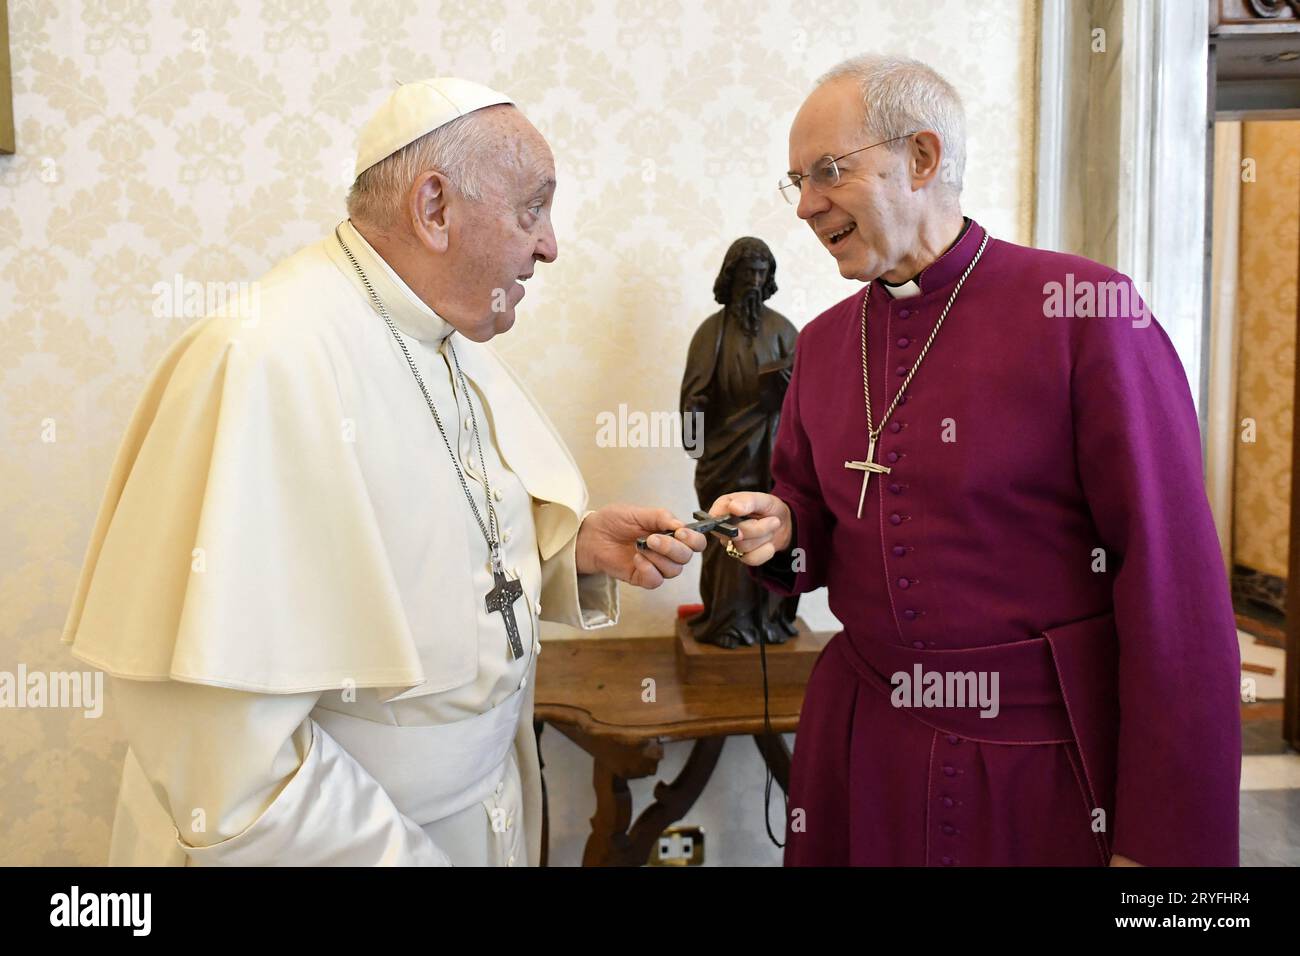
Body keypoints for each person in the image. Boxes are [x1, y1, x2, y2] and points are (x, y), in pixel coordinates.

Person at [62, 77, 706, 866]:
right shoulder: (266, 359)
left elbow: (425, 563)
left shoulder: (439, 338)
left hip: (479, 809)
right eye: (531, 210)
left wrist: (565, 554)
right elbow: (221, 750)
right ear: (434, 208)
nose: (549, 245)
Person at [709, 54, 1241, 866]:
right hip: (861, 744)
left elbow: (1175, 592)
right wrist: (780, 526)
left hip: (1038, 770)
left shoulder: (1088, 315)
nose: (808, 206)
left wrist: (1166, 846)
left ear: (921, 158)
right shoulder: (819, 346)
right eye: (797, 182)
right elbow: (810, 513)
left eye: (827, 172)